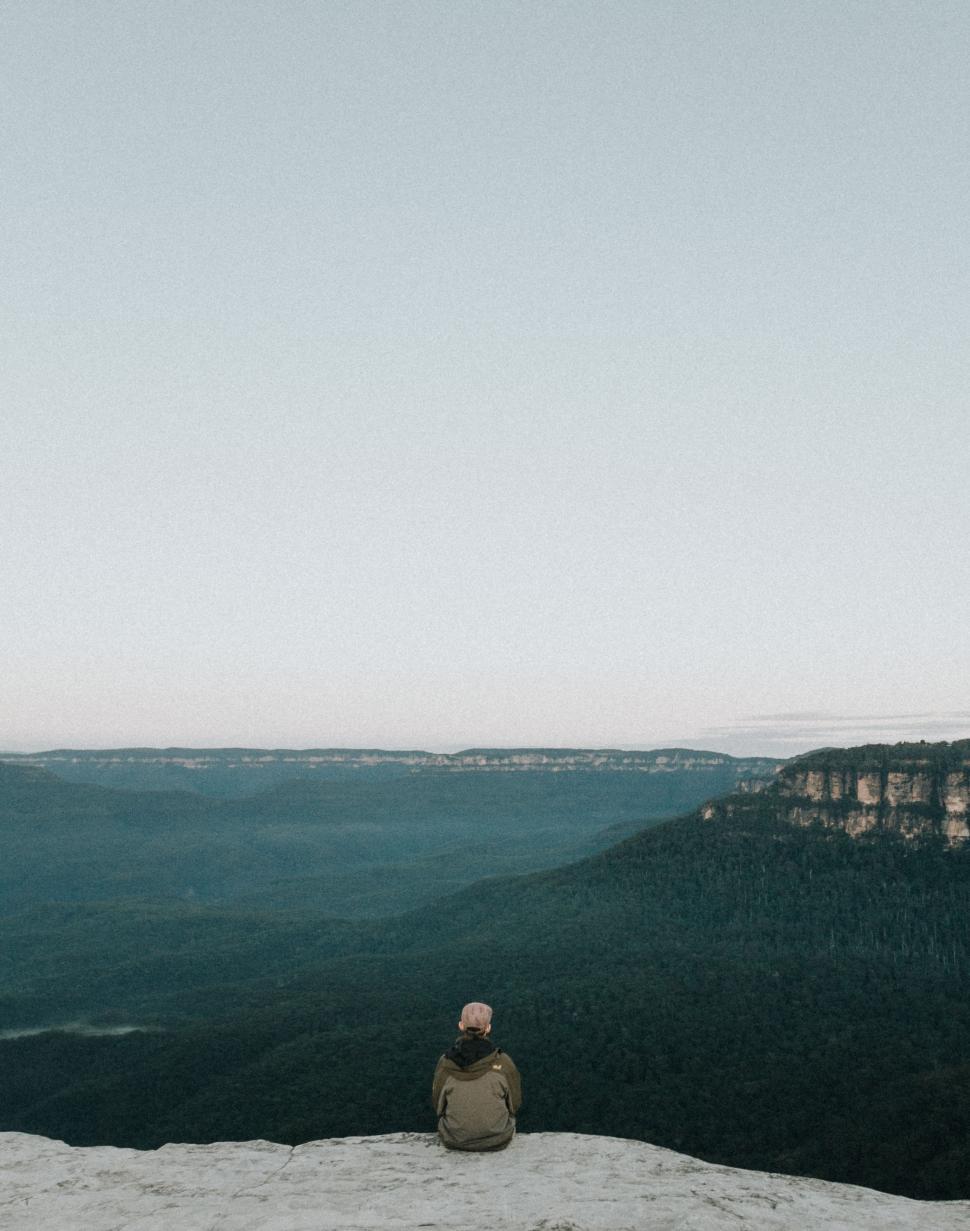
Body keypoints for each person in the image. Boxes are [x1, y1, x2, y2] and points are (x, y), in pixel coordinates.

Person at [432, 1000, 522, 1151]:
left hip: (454, 1139)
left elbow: (438, 1106)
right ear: (488, 1028)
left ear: (461, 1026)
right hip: (498, 1139)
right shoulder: (503, 1062)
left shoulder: (445, 1063)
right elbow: (515, 1104)